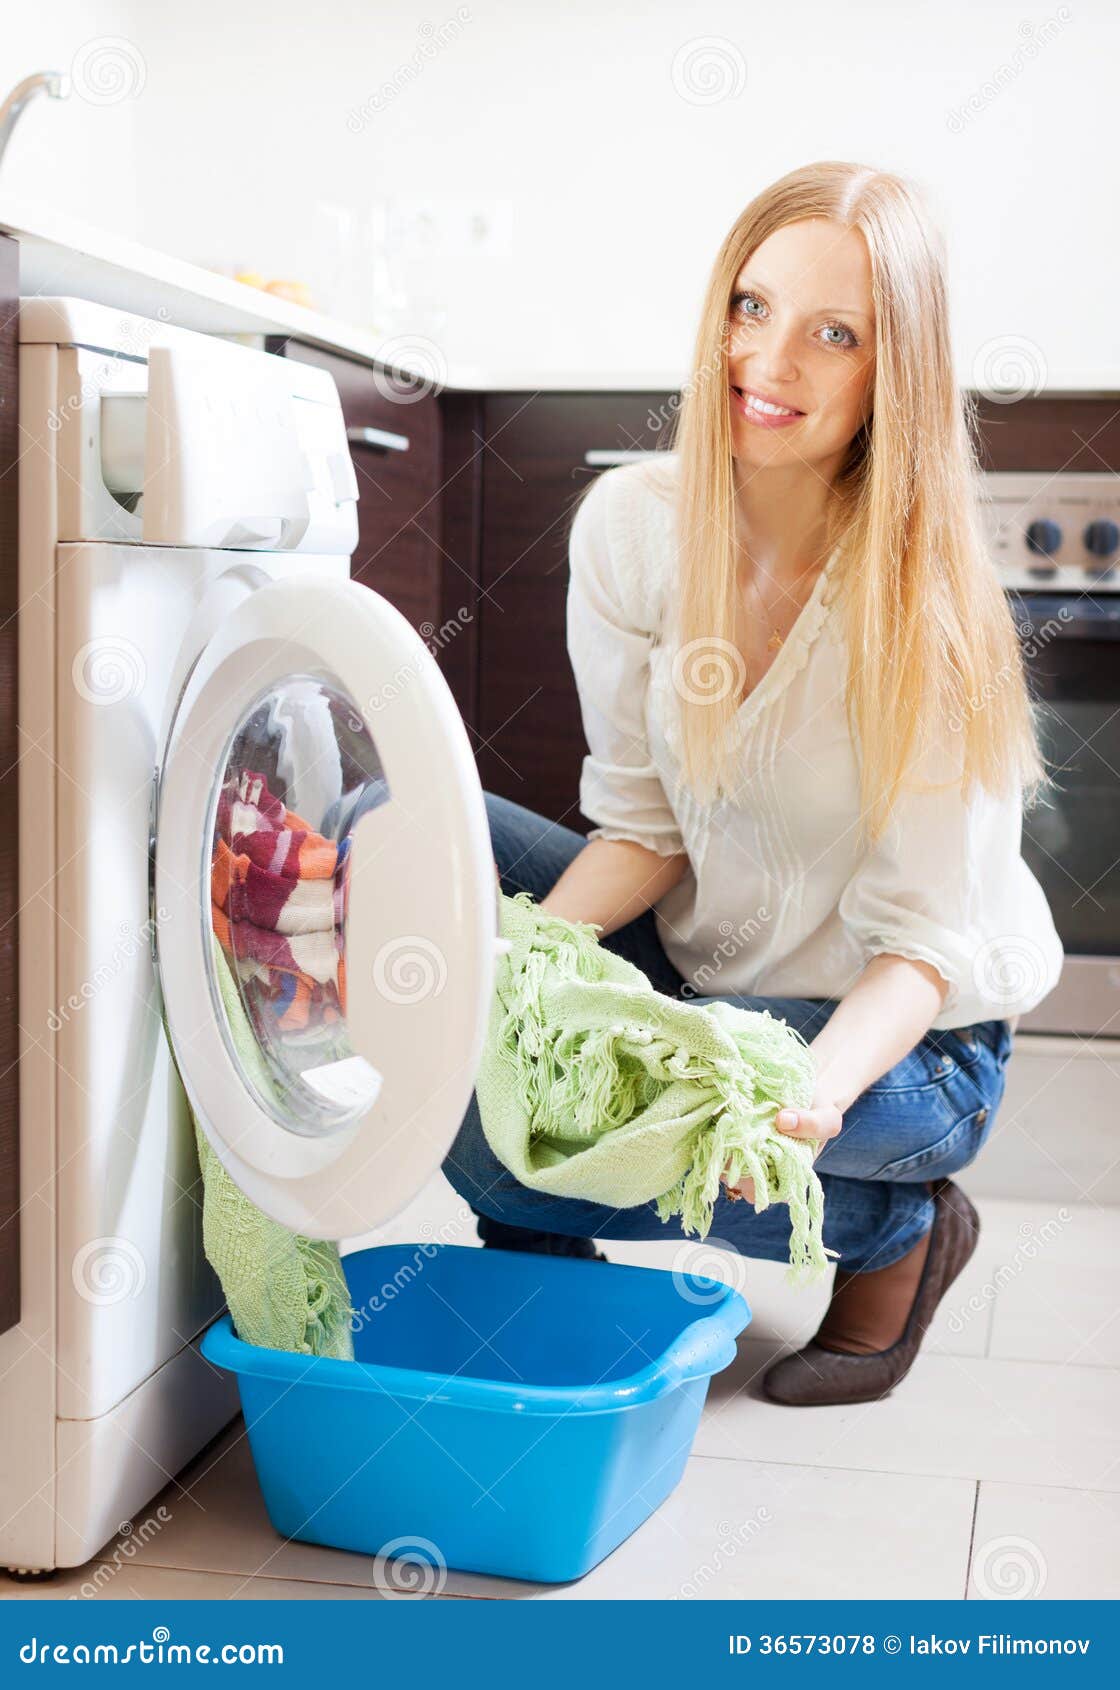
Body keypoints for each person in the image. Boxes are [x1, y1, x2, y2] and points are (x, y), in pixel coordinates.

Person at [442, 160, 1063, 1407]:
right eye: (750, 306)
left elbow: (923, 949)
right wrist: (523, 966)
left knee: (523, 1141)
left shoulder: (925, 614)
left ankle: (897, 1235)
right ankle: (559, 1284)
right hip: (714, 952)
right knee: (433, 897)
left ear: (897, 374)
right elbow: (644, 829)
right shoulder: (633, 525)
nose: (766, 361)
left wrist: (805, 1097)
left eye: (833, 335)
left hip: (909, 1045)